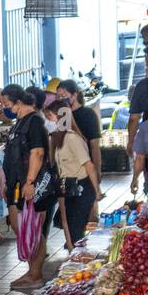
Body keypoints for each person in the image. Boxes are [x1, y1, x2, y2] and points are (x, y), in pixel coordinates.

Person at [0, 85, 51, 289]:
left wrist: (30, 182)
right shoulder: (19, 123)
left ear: (19, 103)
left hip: (31, 186)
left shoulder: (34, 122)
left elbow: (37, 154)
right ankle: (31, 271)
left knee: (33, 229)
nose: (4, 108)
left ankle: (36, 274)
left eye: (6, 104)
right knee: (24, 229)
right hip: (16, 185)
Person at [45, 98, 102, 249]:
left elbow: (89, 165)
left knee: (76, 229)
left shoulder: (71, 138)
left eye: (50, 117)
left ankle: (79, 262)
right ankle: (75, 258)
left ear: (61, 118)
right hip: (69, 188)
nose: (48, 121)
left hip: (82, 188)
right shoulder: (57, 139)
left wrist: (97, 191)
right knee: (71, 227)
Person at [56, 78, 102, 182]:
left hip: (85, 170)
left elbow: (94, 145)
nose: (61, 99)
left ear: (74, 95)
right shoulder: (60, 115)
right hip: (68, 170)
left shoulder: (88, 114)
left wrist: (97, 171)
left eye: (64, 96)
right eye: (58, 97)